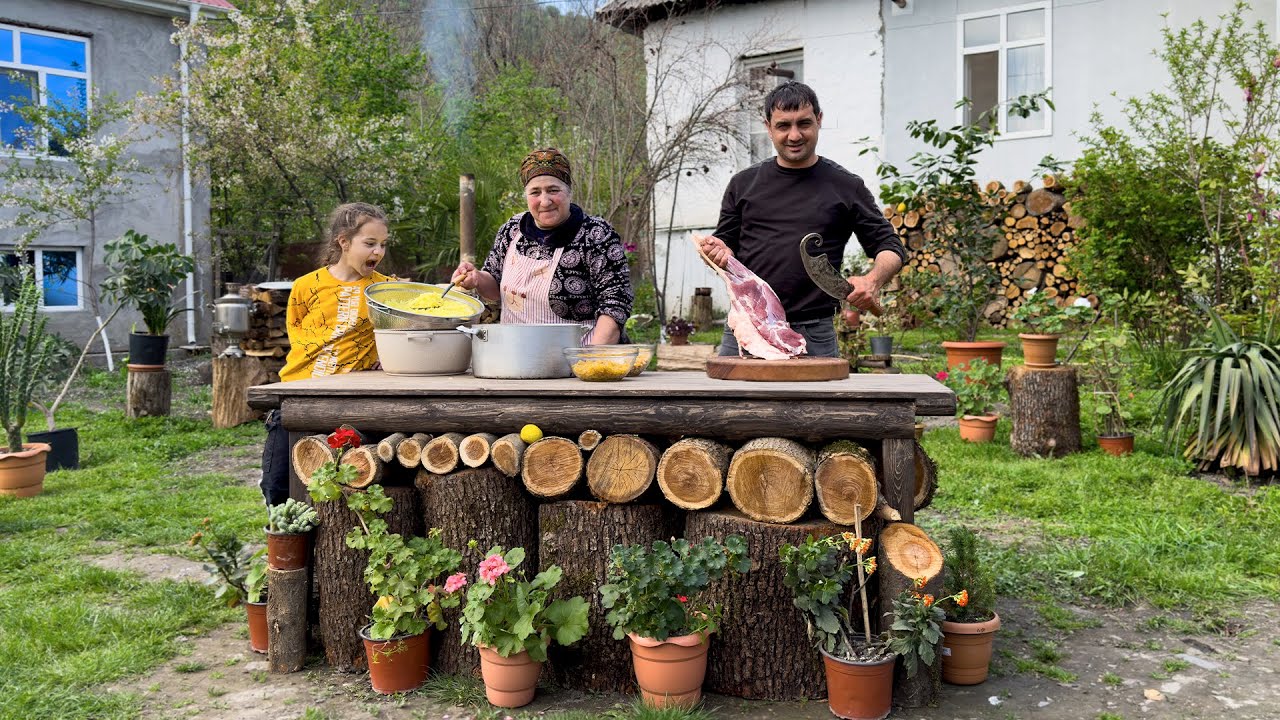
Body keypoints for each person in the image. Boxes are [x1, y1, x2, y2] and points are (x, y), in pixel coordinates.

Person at [698, 81, 906, 358]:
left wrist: (873, 280)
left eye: (803, 124)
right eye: (784, 125)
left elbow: (890, 246)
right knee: (731, 402)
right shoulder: (743, 184)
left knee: (815, 404)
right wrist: (718, 251)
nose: (794, 135)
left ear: (819, 121)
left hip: (814, 333)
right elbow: (724, 244)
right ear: (769, 127)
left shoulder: (845, 185)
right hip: (748, 326)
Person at [259, 202, 392, 505]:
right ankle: (284, 545)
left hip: (351, 402)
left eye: (382, 244)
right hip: (297, 396)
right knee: (278, 484)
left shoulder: (384, 290)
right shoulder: (306, 286)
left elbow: (408, 321)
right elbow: (297, 336)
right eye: (369, 243)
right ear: (343, 242)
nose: (378, 252)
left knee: (342, 485)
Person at [450, 148, 633, 345]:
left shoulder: (595, 235)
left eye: (553, 190)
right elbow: (495, 286)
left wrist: (590, 363)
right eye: (535, 192)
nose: (545, 201)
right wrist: (477, 278)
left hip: (579, 362)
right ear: (526, 196)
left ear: (569, 191)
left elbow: (615, 305)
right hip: (517, 357)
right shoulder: (512, 230)